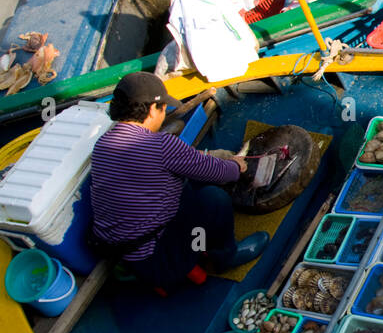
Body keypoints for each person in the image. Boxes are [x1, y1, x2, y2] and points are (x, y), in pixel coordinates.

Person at [89, 72, 269, 290]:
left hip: (128, 256)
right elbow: (220, 174)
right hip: (163, 262)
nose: (165, 113)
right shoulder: (162, 144)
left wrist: (202, 159)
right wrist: (236, 166)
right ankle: (226, 257)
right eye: (163, 108)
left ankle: (200, 245)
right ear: (151, 110)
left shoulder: (102, 146)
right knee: (214, 198)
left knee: (186, 183)